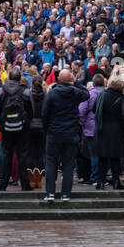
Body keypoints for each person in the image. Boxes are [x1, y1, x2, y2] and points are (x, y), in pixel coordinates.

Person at [40, 68, 86, 202]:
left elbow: (44, 114)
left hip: (54, 132)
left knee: (50, 162)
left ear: (59, 79)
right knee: (68, 164)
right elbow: (87, 94)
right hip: (71, 133)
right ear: (70, 79)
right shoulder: (76, 92)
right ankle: (65, 194)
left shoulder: (51, 94)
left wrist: (47, 128)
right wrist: (76, 82)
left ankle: (50, 193)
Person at [0, 68, 32, 191]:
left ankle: (3, 183)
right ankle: (25, 184)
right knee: (22, 155)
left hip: (6, 127)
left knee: (6, 154)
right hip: (22, 127)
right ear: (19, 78)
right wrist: (26, 122)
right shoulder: (25, 91)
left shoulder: (1, 91)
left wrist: (1, 123)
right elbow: (31, 110)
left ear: (9, 77)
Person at [92, 76, 124, 190]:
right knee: (115, 157)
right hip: (117, 129)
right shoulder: (122, 97)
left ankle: (100, 182)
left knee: (102, 157)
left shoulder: (102, 95)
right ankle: (116, 182)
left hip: (102, 128)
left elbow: (94, 109)